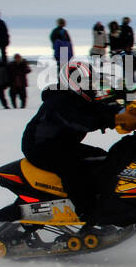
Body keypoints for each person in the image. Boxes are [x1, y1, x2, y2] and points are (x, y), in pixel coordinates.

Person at [20, 76, 124, 221]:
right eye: (87, 83)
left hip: (60, 144)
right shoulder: (58, 101)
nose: (91, 88)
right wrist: (111, 119)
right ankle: (87, 213)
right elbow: (79, 121)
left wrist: (123, 110)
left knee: (102, 158)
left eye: (91, 83)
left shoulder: (75, 98)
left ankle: (105, 198)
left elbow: (99, 108)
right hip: (40, 148)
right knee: (73, 168)